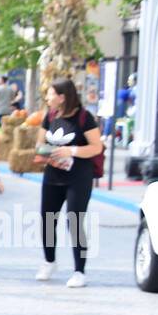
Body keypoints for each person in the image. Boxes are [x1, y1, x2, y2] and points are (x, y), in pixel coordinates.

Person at [35, 78, 103, 288]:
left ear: (62, 97)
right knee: (47, 219)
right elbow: (39, 143)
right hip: (53, 175)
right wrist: (46, 152)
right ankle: (49, 261)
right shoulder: (50, 116)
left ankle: (79, 271)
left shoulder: (84, 118)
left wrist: (71, 151)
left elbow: (96, 147)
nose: (47, 97)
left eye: (50, 94)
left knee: (74, 221)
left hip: (78, 177)